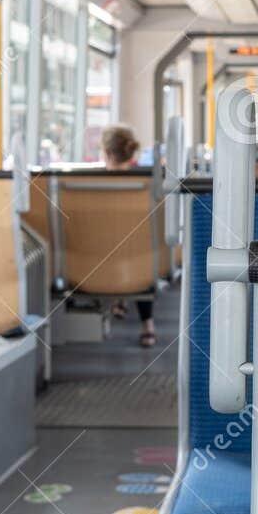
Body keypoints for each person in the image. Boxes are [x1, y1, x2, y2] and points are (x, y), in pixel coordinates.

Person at [100, 123, 158, 348]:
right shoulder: (144, 184)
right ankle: (148, 326)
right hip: (138, 257)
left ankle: (119, 299)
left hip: (97, 257)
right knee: (136, 249)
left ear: (106, 153)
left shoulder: (86, 184)